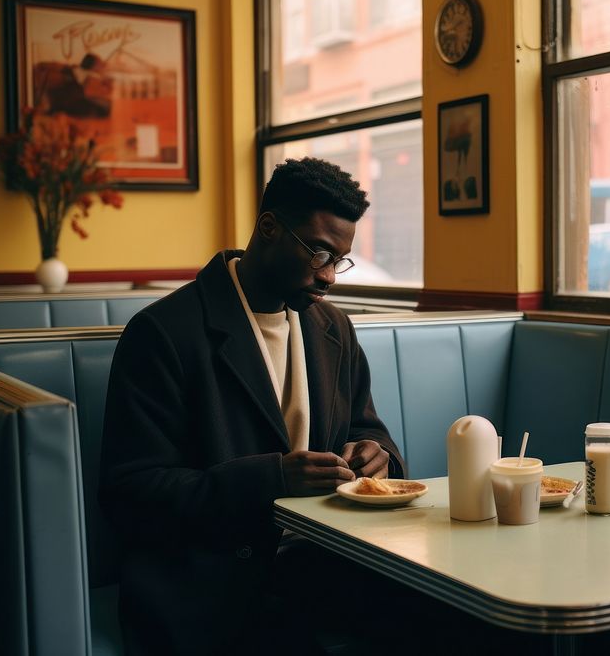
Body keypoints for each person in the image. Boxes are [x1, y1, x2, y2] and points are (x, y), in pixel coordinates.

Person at [99, 157, 405, 655]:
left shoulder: (334, 329)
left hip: (324, 566)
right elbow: (131, 495)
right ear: (268, 228)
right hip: (211, 587)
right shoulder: (162, 333)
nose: (330, 276)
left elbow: (367, 429)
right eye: (319, 254)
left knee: (453, 620)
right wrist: (272, 479)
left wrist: (378, 455)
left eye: (340, 259)